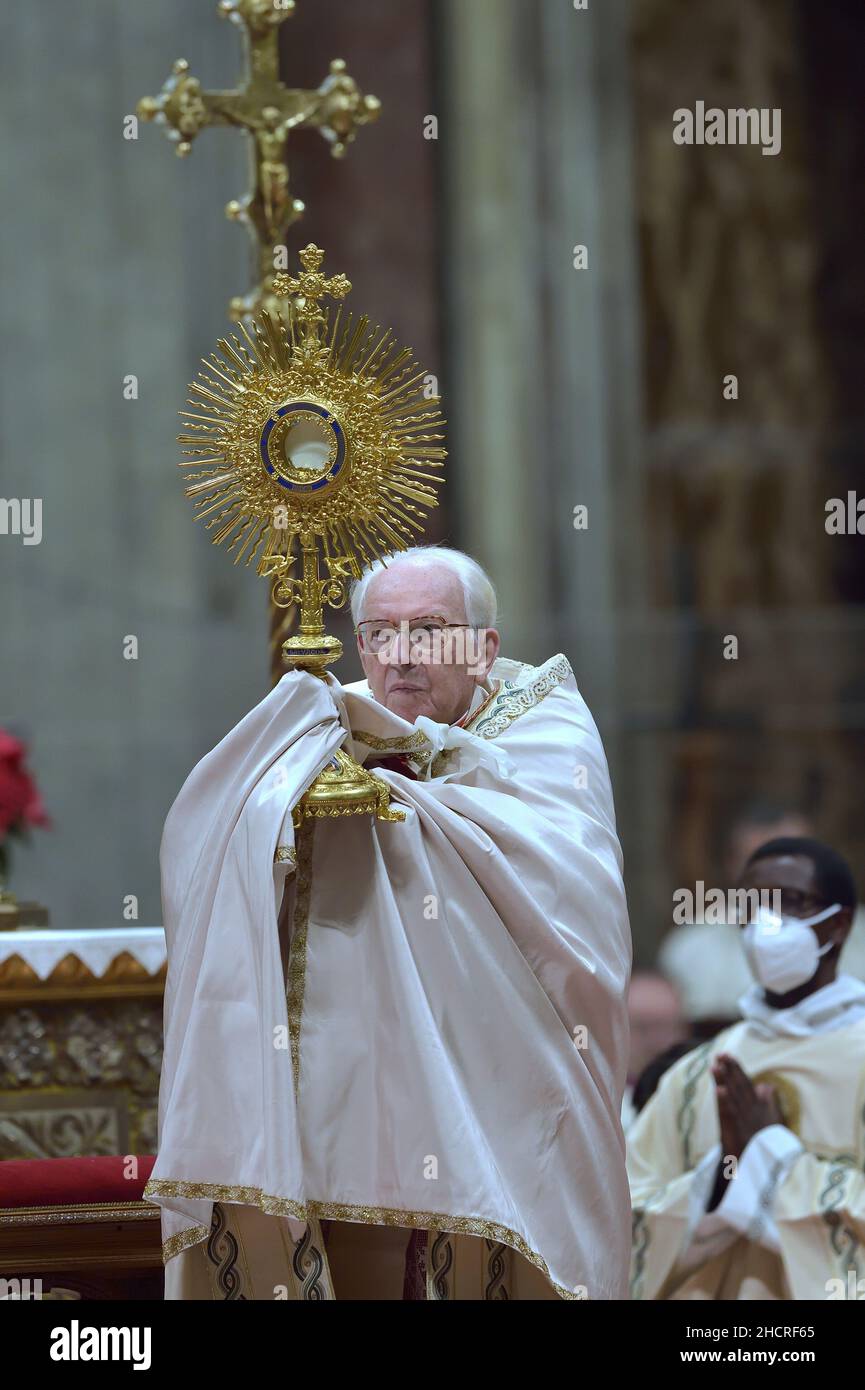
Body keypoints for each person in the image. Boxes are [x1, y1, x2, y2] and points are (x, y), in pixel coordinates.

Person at [145, 545, 632, 1300]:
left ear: (484, 648)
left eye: (430, 630)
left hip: (496, 1078)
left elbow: (566, 899)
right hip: (351, 1094)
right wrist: (277, 816)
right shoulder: (319, 730)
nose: (400, 655)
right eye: (377, 633)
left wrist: (394, 804)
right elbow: (204, 828)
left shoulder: (545, 736)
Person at [628, 836, 865, 1300]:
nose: (765, 922)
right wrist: (720, 1176)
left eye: (790, 903)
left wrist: (771, 1158)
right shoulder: (698, 1073)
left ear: (837, 925)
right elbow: (627, 1217)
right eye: (751, 904)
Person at [622, 972, 687, 1132]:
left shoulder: (700, 1095)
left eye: (666, 1027)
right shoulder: (599, 1106)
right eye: (643, 1027)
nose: (656, 1040)